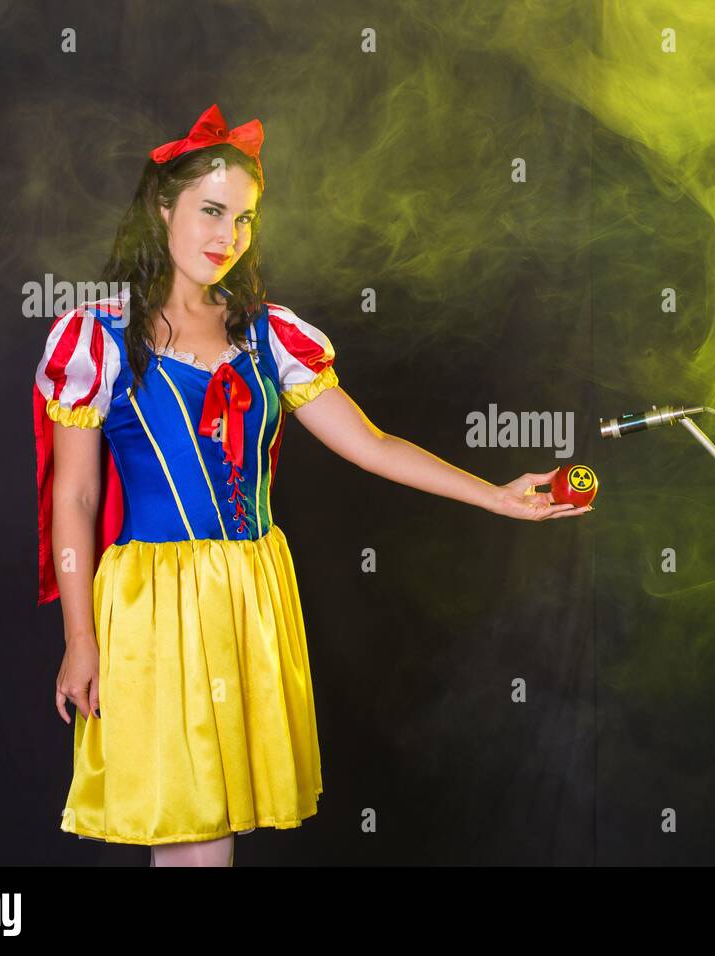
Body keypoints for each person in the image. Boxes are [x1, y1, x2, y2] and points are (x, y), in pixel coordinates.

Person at [34, 104, 591, 867]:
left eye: (245, 218)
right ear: (163, 207)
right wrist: (79, 637)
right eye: (211, 210)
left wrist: (494, 494)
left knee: (212, 832)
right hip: (156, 601)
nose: (227, 236)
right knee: (185, 830)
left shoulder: (268, 333)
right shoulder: (97, 335)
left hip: (254, 589)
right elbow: (76, 499)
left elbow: (370, 444)